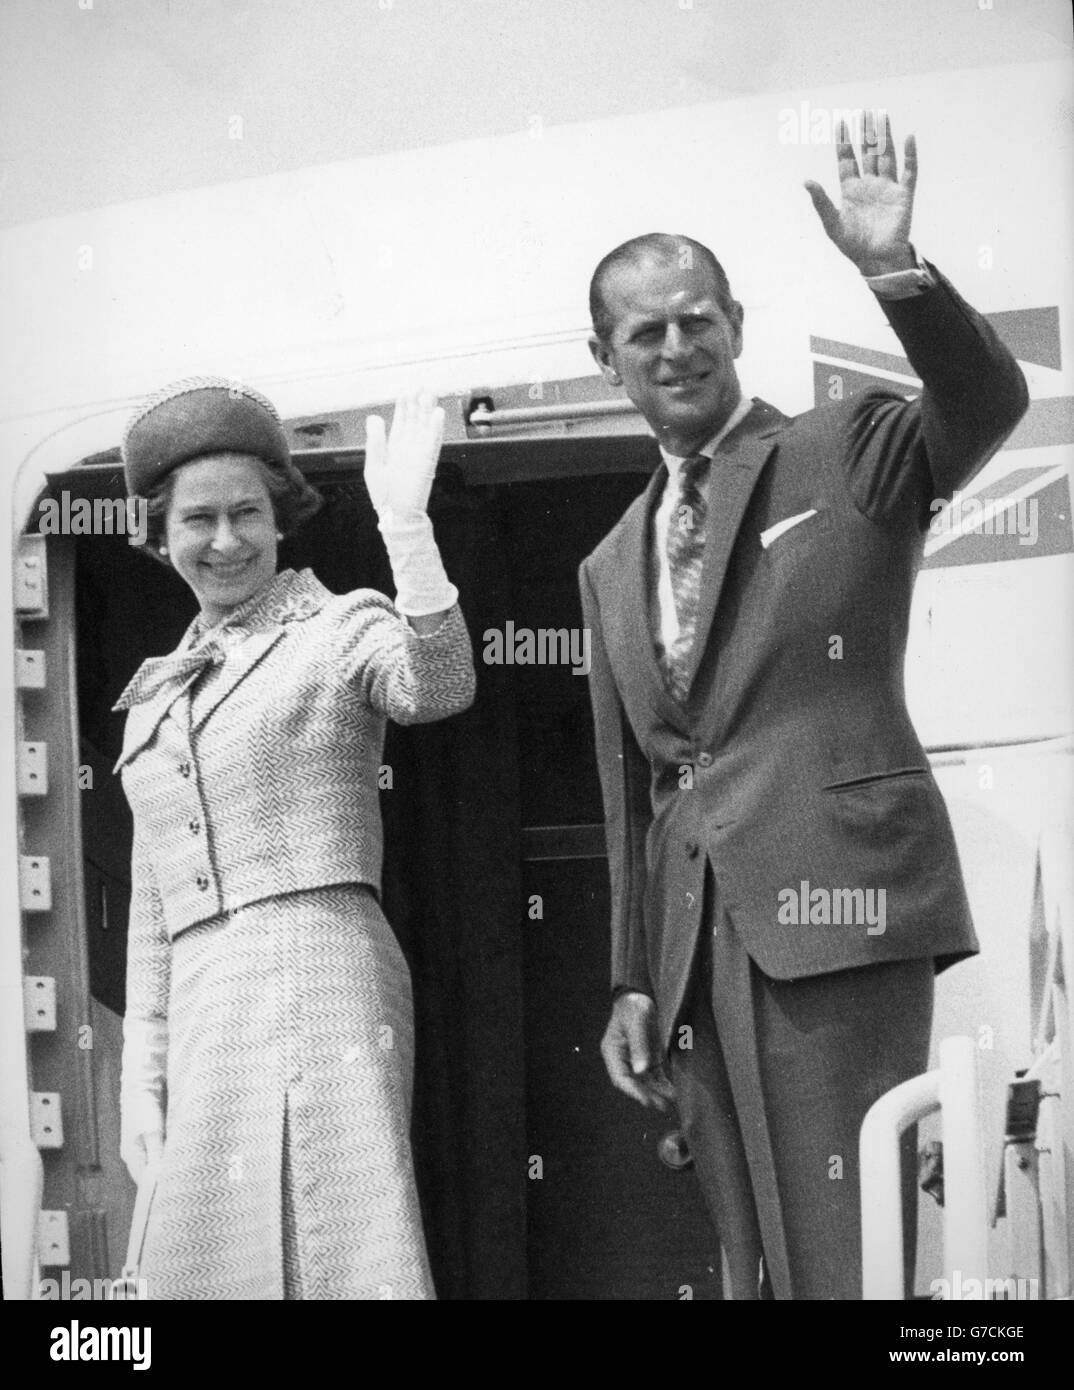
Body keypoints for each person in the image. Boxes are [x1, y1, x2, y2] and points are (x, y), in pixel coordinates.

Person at [579, 116, 1029, 1299]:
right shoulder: (608, 560)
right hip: (690, 938)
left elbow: (984, 400)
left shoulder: (850, 447)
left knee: (849, 1244)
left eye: (698, 320)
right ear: (604, 357)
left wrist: (895, 270)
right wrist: (631, 975)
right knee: (749, 1262)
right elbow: (629, 791)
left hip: (841, 897)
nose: (677, 347)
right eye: (645, 332)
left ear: (735, 326)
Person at [115, 378, 475, 1299]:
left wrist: (410, 537)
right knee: (195, 1264)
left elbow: (437, 687)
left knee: (338, 1246)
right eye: (200, 519)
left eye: (249, 513)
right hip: (203, 1008)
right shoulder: (151, 696)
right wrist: (137, 1079)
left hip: (320, 969)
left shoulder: (336, 624)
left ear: (282, 520)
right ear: (160, 536)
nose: (226, 540)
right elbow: (155, 911)